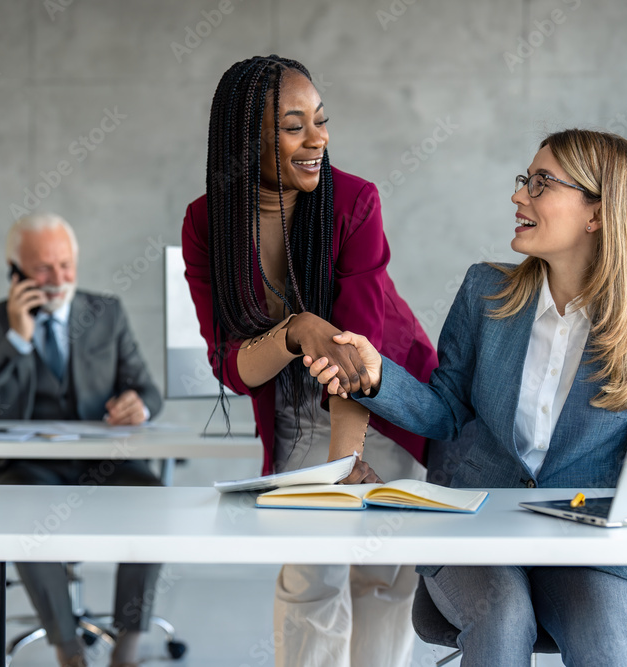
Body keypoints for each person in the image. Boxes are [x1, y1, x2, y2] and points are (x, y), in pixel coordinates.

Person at [304, 129, 627, 666]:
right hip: (474, 524)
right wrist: (375, 375)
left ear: (598, 213)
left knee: (605, 639)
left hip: (585, 544)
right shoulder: (484, 292)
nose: (519, 196)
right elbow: (444, 414)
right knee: (503, 619)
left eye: (541, 184)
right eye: (524, 181)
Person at [182, 55, 438, 667]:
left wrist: (346, 463)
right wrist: (294, 330)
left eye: (320, 121)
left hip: (381, 401)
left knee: (382, 573)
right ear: (247, 141)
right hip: (294, 404)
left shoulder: (354, 200)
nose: (318, 138)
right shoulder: (206, 222)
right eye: (294, 126)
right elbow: (233, 368)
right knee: (309, 575)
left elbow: (361, 349)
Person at [0, 213, 163, 667]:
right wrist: (16, 338)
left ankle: (127, 648)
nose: (57, 279)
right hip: (27, 469)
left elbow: (148, 389)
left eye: (66, 265)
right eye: (42, 268)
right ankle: (68, 650)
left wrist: (139, 405)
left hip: (104, 462)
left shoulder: (105, 312)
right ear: (14, 271)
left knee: (153, 500)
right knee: (18, 509)